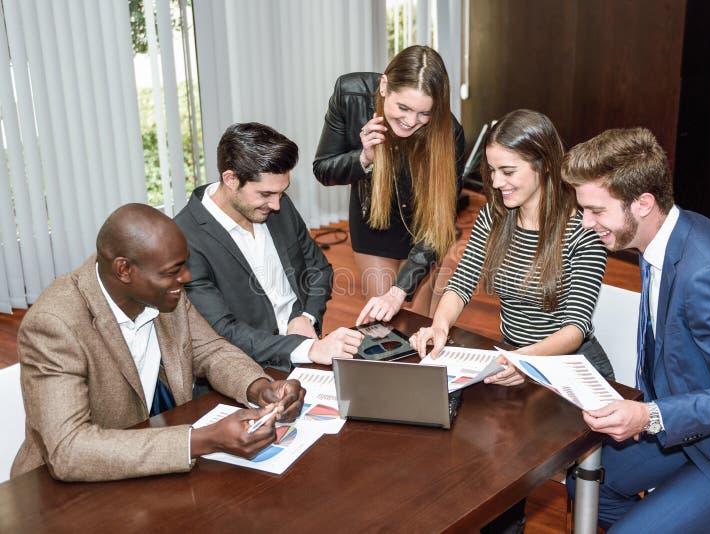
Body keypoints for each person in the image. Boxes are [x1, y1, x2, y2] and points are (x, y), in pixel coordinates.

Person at [562, 127, 710, 532]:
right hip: (690, 430)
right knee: (585, 482)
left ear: (643, 203)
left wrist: (650, 416)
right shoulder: (658, 240)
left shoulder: (707, 271)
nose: (585, 223)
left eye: (596, 211)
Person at [11, 204, 306, 482]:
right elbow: (68, 449)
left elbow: (210, 350)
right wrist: (203, 440)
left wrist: (260, 387)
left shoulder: (162, 291)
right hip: (63, 492)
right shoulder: (55, 324)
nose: (186, 277)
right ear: (124, 270)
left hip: (149, 465)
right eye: (172, 271)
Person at [410, 110, 614, 385]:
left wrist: (522, 361)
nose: (496, 183)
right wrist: (440, 325)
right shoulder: (494, 215)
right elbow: (461, 283)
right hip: (513, 356)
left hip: (569, 367)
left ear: (545, 164)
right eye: (492, 171)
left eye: (507, 172)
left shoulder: (584, 229)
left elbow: (574, 330)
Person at [175, 123, 364, 375]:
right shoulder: (185, 237)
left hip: (307, 352)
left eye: (281, 192)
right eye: (265, 194)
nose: (276, 205)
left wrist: (306, 317)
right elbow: (222, 330)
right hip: (246, 372)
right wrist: (305, 349)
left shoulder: (276, 204)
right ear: (231, 179)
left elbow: (319, 270)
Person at [313, 45, 466, 324]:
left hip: (425, 230)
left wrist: (399, 291)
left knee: (414, 321)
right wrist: (364, 158)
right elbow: (324, 170)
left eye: (424, 113)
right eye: (403, 108)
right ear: (384, 86)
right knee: (382, 323)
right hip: (374, 221)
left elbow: (438, 222)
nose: (411, 121)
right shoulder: (350, 95)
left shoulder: (449, 133)